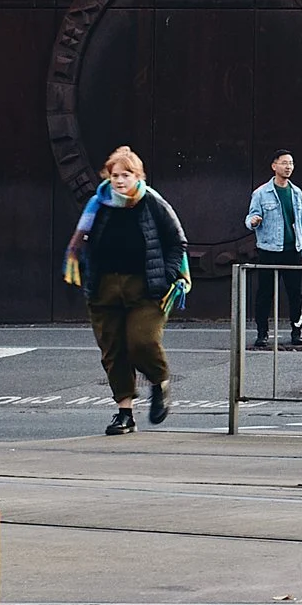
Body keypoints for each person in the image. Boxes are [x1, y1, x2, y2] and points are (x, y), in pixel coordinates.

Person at [64, 146, 189, 437]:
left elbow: (177, 243)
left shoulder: (152, 202)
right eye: (115, 175)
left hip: (146, 289)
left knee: (141, 342)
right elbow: (83, 242)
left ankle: (159, 381)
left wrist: (167, 275)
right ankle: (125, 413)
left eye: (126, 175)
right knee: (113, 350)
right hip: (104, 289)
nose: (120, 181)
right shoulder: (98, 204)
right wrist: (85, 272)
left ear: (138, 176)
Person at [242, 149, 302, 350]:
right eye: (284, 163)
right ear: (274, 166)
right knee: (265, 293)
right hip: (269, 249)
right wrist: (253, 221)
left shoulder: (296, 193)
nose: (288, 167)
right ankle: (262, 333)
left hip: (292, 250)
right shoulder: (261, 193)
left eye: (291, 163)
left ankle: (296, 332)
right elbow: (250, 217)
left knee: (295, 293)